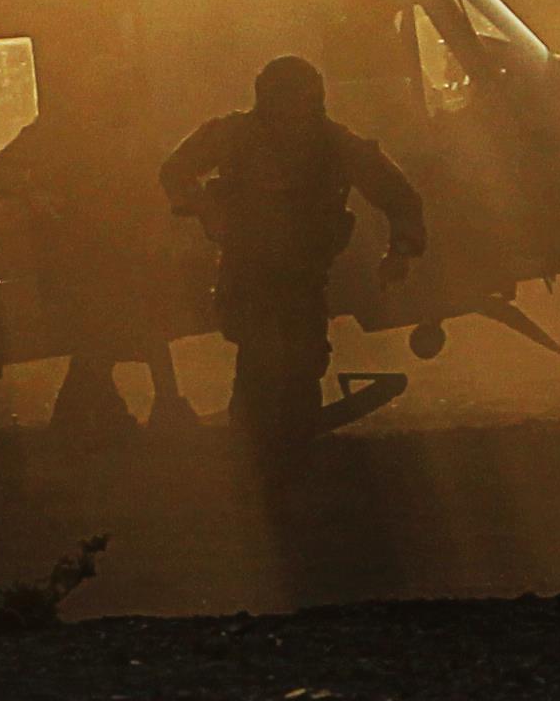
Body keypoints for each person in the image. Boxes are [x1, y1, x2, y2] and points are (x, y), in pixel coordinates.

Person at [160, 52, 427, 437]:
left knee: (298, 367)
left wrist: (400, 252)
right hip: (248, 273)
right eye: (283, 109)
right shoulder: (235, 135)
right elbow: (174, 171)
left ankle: (287, 442)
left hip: (302, 278)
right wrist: (204, 208)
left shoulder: (335, 144)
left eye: (298, 109)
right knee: (259, 363)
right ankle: (261, 443)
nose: (291, 125)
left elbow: (400, 197)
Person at [0, 54, 193, 434]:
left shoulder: (121, 137)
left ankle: (101, 411)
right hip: (85, 256)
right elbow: (3, 170)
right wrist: (38, 197)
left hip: (112, 253)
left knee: (108, 336)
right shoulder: (64, 131)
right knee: (117, 334)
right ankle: (140, 408)